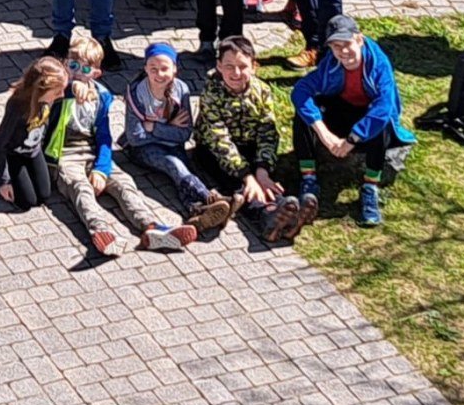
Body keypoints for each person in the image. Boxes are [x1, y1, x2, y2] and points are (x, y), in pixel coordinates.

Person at [47, 32, 197, 257]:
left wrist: (101, 168)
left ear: (96, 73)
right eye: (73, 65)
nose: (77, 73)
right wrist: (68, 92)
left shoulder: (102, 95)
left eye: (85, 69)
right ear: (64, 64)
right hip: (64, 154)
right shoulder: (56, 89)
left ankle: (152, 227)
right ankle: (101, 230)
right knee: (80, 188)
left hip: (92, 150)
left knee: (124, 183)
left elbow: (104, 137)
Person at [290, 16, 416, 229]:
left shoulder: (379, 64)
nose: (343, 52)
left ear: (359, 39)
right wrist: (322, 132)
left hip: (365, 119)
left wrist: (351, 140)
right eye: (336, 46)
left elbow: (384, 107)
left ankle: (370, 186)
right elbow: (301, 90)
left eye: (346, 44)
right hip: (342, 110)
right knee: (304, 115)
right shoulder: (330, 64)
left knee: (380, 122)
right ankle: (309, 178)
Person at [193, 36, 300, 242]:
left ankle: (285, 209)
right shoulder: (210, 93)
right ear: (219, 66)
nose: (236, 73)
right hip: (214, 151)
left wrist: (262, 170)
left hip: (249, 146)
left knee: (266, 180)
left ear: (254, 66)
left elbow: (267, 131)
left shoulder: (262, 91)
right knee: (239, 184)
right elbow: (220, 140)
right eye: (229, 66)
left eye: (243, 66)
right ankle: (264, 215)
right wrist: (247, 176)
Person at [123, 42, 234, 233]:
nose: (159, 74)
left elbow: (184, 133)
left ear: (175, 69)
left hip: (171, 143)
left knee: (183, 170)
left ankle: (197, 212)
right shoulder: (135, 94)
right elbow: (134, 138)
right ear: (145, 69)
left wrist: (153, 127)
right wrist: (167, 128)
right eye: (153, 69)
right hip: (142, 150)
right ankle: (211, 198)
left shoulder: (181, 90)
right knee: (174, 164)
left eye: (164, 69)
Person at [0, 56, 69, 209]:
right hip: (14, 153)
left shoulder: (49, 100)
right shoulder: (17, 107)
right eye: (57, 92)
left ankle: (21, 173)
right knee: (27, 202)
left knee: (44, 195)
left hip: (33, 150)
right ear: (42, 90)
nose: (61, 95)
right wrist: (4, 182)